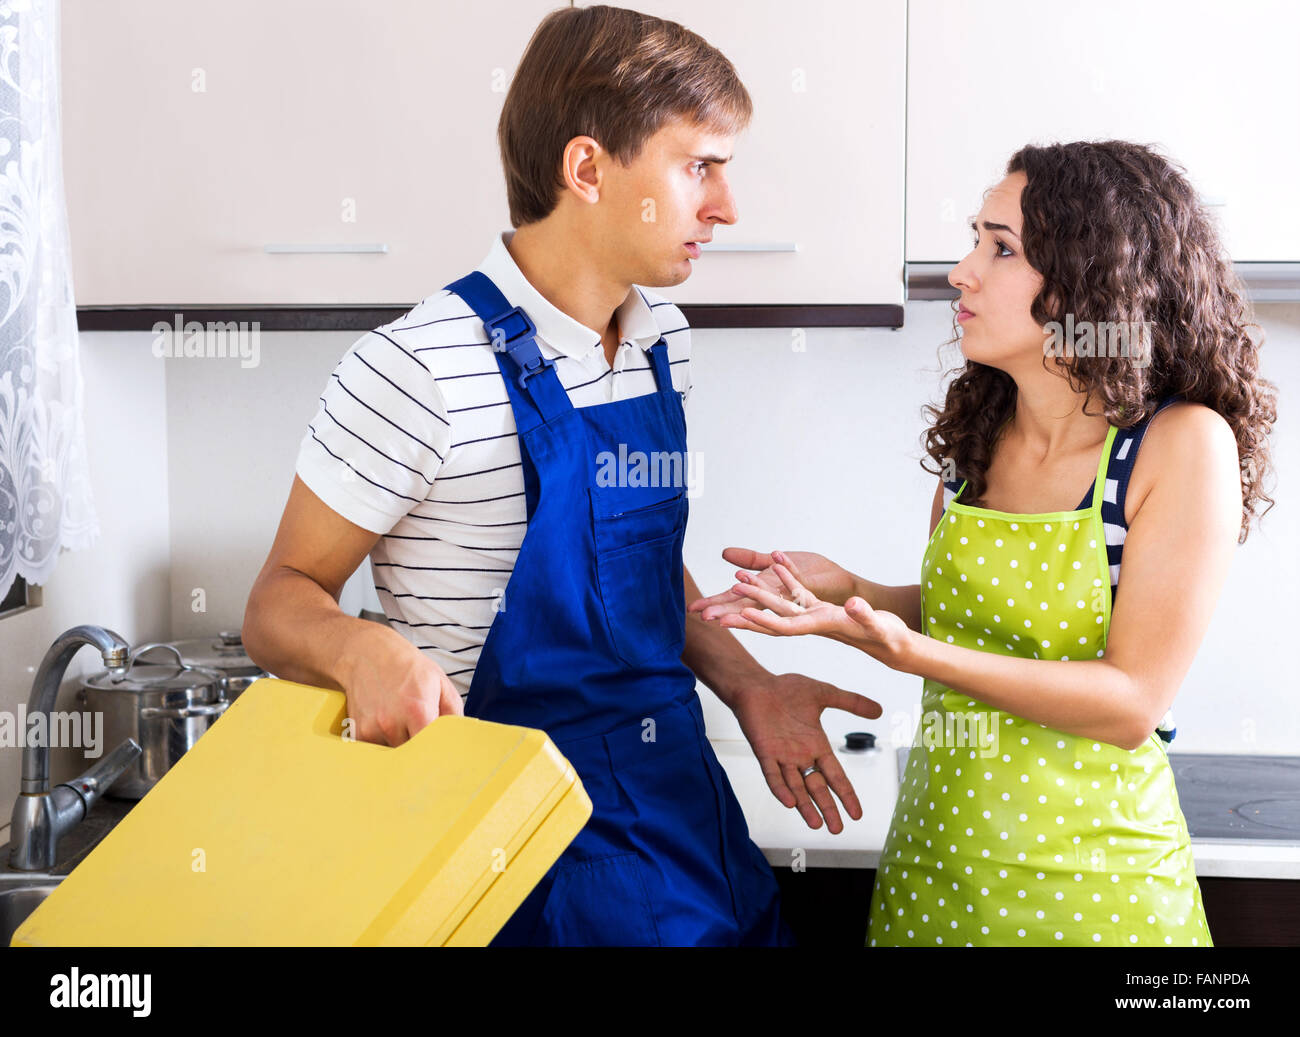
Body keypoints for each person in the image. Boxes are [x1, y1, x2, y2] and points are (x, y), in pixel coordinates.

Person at [242, 4, 883, 947]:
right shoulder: (415, 367)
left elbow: (636, 570)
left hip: (681, 815)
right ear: (587, 169)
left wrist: (750, 685)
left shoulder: (665, 341)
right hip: (517, 849)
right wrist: (360, 650)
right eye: (698, 165)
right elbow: (276, 601)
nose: (727, 206)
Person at [691, 140, 1277, 947]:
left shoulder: (1176, 445)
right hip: (935, 872)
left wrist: (904, 653)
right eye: (976, 240)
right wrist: (848, 588)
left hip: (1097, 894)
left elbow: (1129, 701)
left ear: (1089, 280)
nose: (962, 271)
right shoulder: (980, 438)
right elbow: (965, 622)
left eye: (1000, 248)